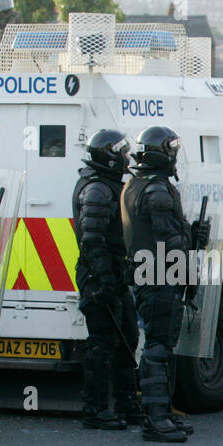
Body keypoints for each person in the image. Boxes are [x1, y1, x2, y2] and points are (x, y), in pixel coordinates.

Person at [121, 125, 209, 443]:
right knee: (158, 348)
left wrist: (192, 234)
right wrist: (190, 255)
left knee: (163, 347)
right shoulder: (157, 190)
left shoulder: (134, 184)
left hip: (150, 274)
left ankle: (163, 414)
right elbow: (169, 241)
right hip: (159, 276)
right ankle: (156, 420)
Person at [74, 129, 142, 430]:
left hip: (112, 273)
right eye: (122, 154)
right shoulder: (98, 190)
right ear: (110, 156)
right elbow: (92, 239)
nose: (127, 159)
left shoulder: (109, 185)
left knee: (127, 337)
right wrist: (104, 280)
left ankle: (127, 403)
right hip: (98, 275)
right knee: (101, 343)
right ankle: (96, 409)